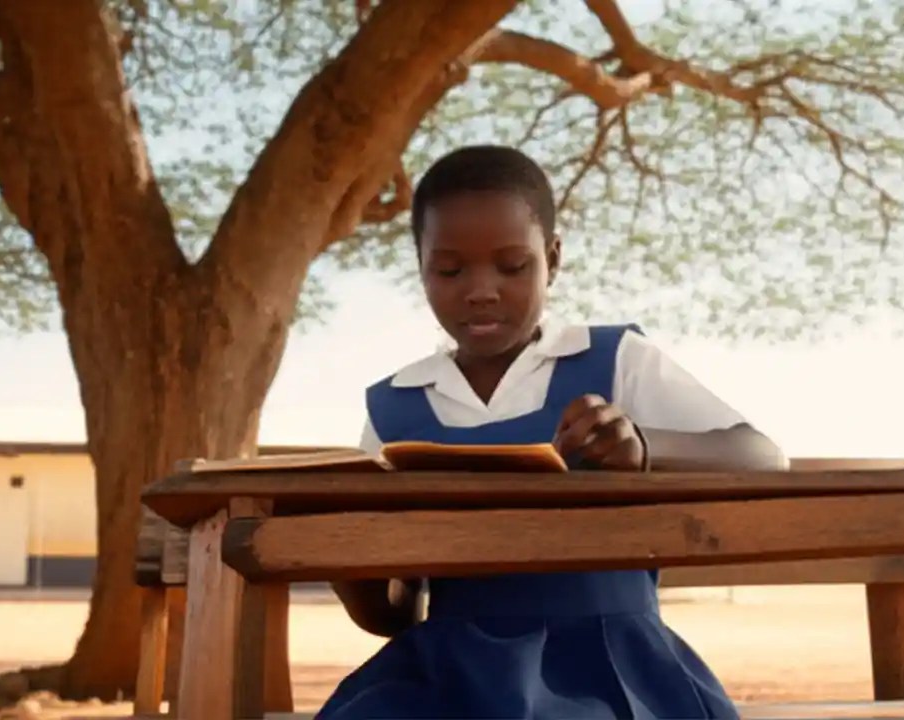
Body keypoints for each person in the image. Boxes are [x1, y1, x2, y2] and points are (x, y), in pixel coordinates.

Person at [320, 145, 788, 720]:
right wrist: (345, 568)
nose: (481, 289)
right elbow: (396, 613)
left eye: (513, 266)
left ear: (554, 258)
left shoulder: (613, 360)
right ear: (420, 266)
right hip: (447, 669)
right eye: (449, 269)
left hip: (610, 661)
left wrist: (642, 445)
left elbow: (761, 457)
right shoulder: (397, 405)